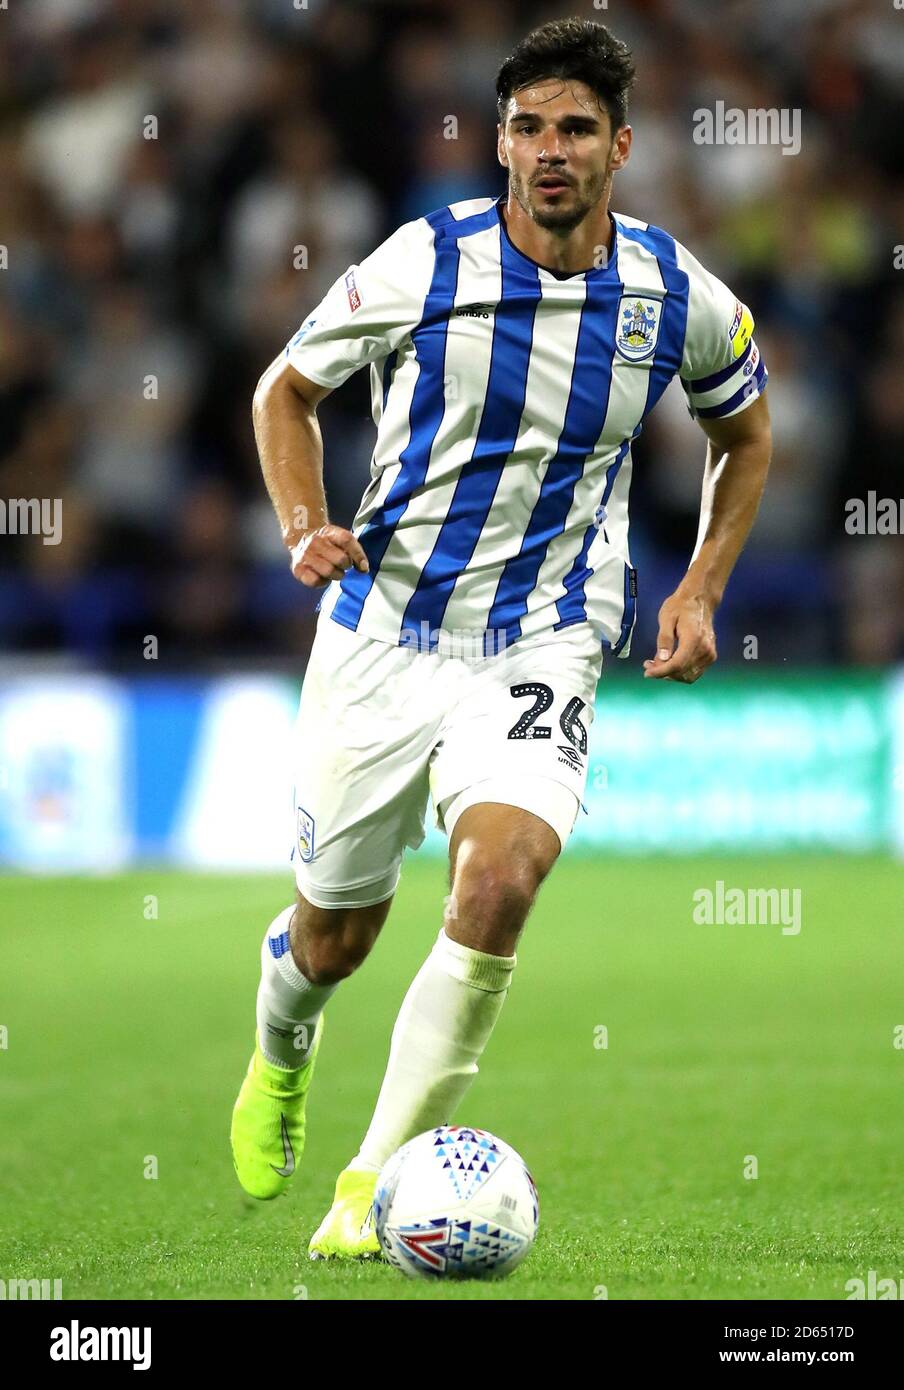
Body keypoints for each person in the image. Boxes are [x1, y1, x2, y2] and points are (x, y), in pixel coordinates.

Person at [230, 16, 772, 1262]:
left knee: (501, 878)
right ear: (499, 142)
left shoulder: (669, 291)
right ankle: (281, 1054)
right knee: (333, 936)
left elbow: (744, 432)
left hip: (544, 638)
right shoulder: (426, 262)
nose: (548, 149)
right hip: (383, 632)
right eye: (527, 126)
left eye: (575, 127)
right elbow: (285, 391)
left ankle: (370, 1183)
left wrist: (696, 589)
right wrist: (305, 523)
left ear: (619, 148)